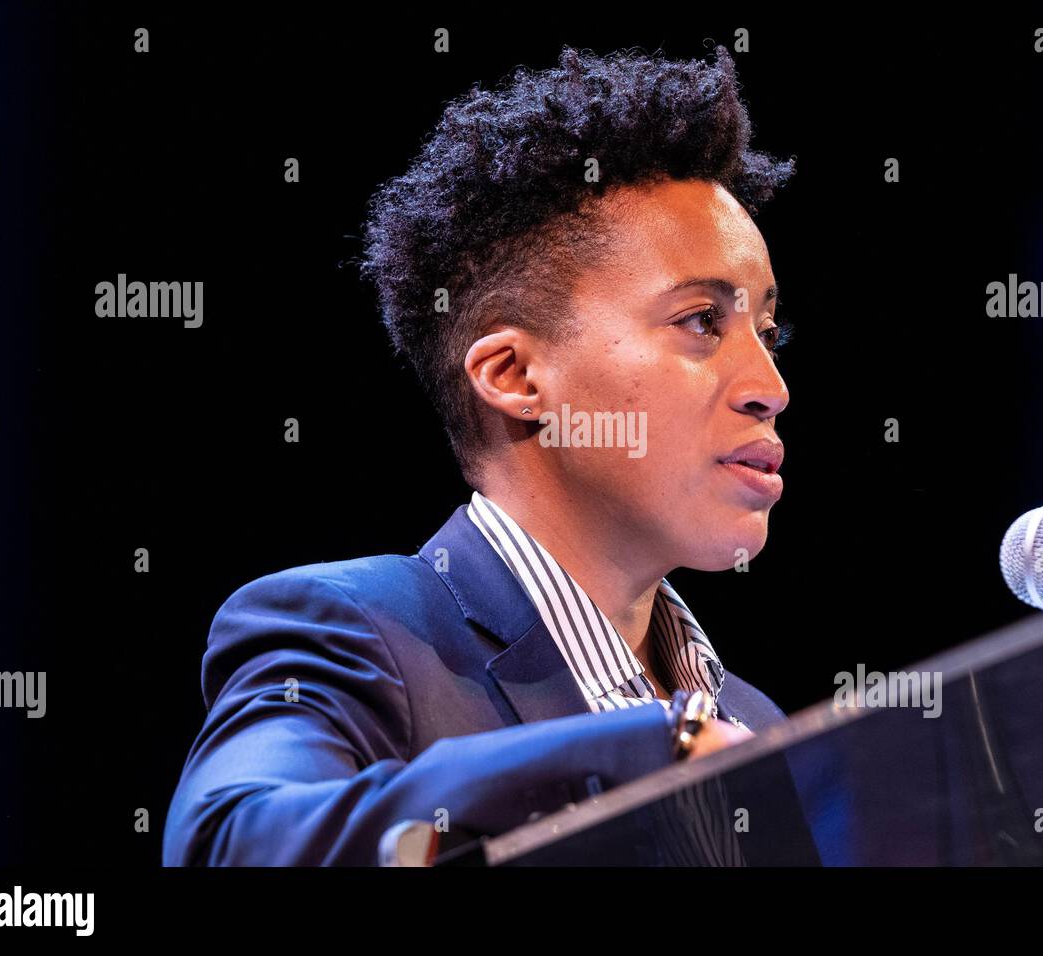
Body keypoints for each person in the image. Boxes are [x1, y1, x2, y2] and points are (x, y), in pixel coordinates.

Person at [163, 43, 803, 866]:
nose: (770, 384)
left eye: (768, 331)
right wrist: (640, 748)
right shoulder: (358, 632)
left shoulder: (761, 726)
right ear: (513, 375)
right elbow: (231, 842)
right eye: (700, 323)